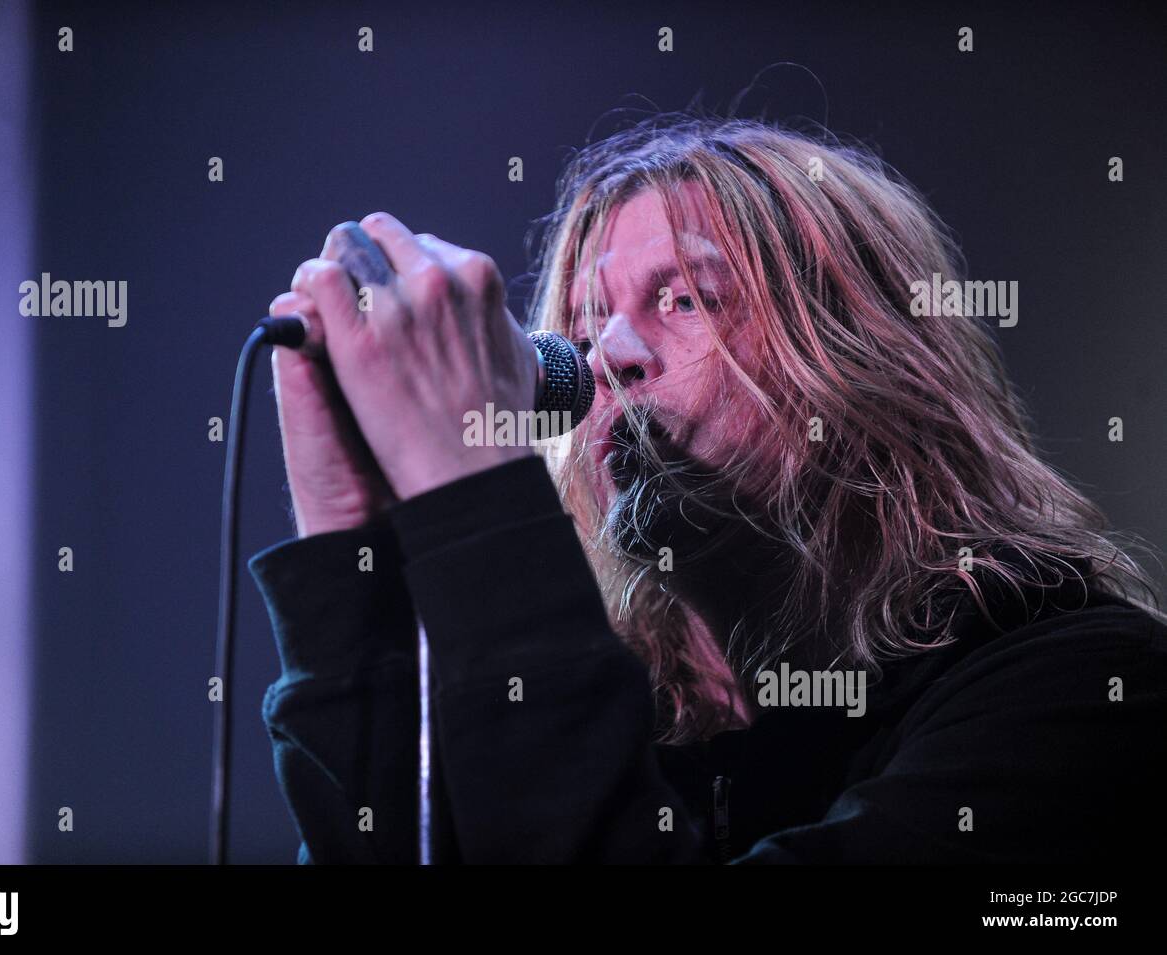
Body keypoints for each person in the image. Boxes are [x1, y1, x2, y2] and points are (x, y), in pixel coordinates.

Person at [249, 114, 1167, 864]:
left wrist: (471, 487)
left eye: (687, 298)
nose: (607, 355)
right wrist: (347, 538)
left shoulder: (1083, 687)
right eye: (585, 321)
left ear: (863, 357)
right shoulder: (616, 721)